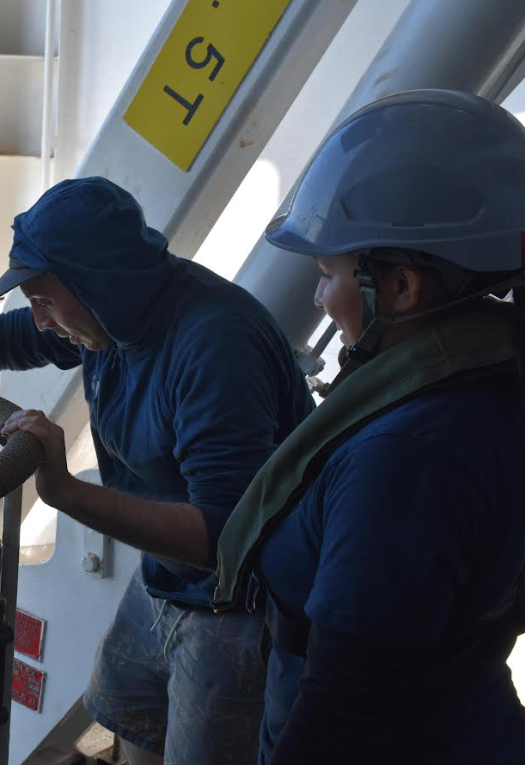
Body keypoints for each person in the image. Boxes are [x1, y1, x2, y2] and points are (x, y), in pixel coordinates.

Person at [0, 176, 313, 764]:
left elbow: (221, 538)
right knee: (130, 714)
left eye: (43, 300)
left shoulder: (215, 348)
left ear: (98, 284)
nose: (38, 320)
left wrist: (63, 491)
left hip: (239, 608)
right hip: (167, 579)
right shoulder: (111, 316)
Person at [212, 89, 525, 765]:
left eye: (326, 274)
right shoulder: (489, 377)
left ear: (404, 288)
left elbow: (342, 710)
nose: (319, 298)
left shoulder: (408, 451)